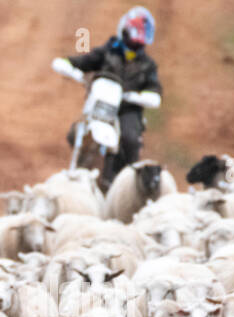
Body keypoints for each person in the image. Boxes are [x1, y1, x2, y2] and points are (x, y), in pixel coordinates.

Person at [52, 6, 163, 189]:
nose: (134, 45)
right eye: (131, 39)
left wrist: (137, 96)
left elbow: (155, 91)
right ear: (124, 32)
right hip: (102, 104)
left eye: (138, 43)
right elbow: (82, 62)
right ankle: (76, 170)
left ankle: (129, 184)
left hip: (127, 109)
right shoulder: (108, 52)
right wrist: (69, 67)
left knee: (130, 138)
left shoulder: (148, 65)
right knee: (75, 130)